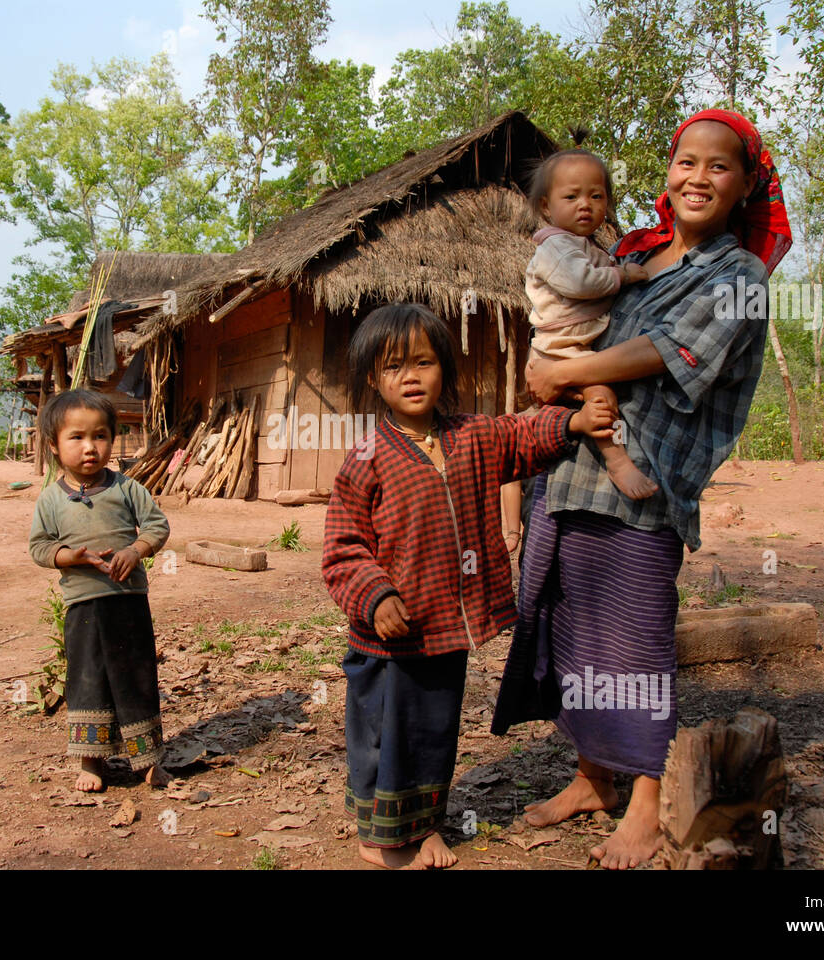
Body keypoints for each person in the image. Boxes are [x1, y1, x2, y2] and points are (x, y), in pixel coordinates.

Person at [492, 109, 792, 869]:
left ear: (745, 183)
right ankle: (593, 776)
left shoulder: (739, 277)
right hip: (569, 470)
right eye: (686, 161)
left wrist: (560, 375)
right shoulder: (632, 252)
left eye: (718, 167)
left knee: (633, 638)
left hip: (644, 482)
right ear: (669, 171)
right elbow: (565, 317)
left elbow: (676, 350)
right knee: (571, 629)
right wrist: (551, 383)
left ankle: (648, 798)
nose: (698, 177)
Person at [323, 303, 614, 869]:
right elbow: (342, 548)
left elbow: (523, 435)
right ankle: (378, 836)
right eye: (393, 366)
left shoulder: (471, 437)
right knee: (383, 735)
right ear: (372, 380)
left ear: (445, 369)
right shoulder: (366, 459)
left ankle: (424, 825)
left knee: (434, 732)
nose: (410, 376)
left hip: (445, 628)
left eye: (424, 362)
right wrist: (376, 595)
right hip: (389, 636)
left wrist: (573, 421)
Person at [28, 389, 173, 792]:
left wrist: (135, 549)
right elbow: (39, 548)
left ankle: (148, 763)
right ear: (54, 445)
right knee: (87, 679)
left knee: (136, 677)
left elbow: (157, 526)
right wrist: (69, 556)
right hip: (83, 607)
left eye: (101, 436)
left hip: (128, 605)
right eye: (76, 437)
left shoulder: (127, 489)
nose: (90, 447)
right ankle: (91, 763)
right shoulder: (50, 500)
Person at [523, 138, 657, 500]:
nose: (585, 204)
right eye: (572, 197)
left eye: (596, 196)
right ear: (546, 208)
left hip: (571, 350)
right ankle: (618, 461)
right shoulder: (555, 248)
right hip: (559, 352)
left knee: (572, 411)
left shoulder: (587, 246)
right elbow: (581, 283)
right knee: (601, 398)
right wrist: (623, 276)